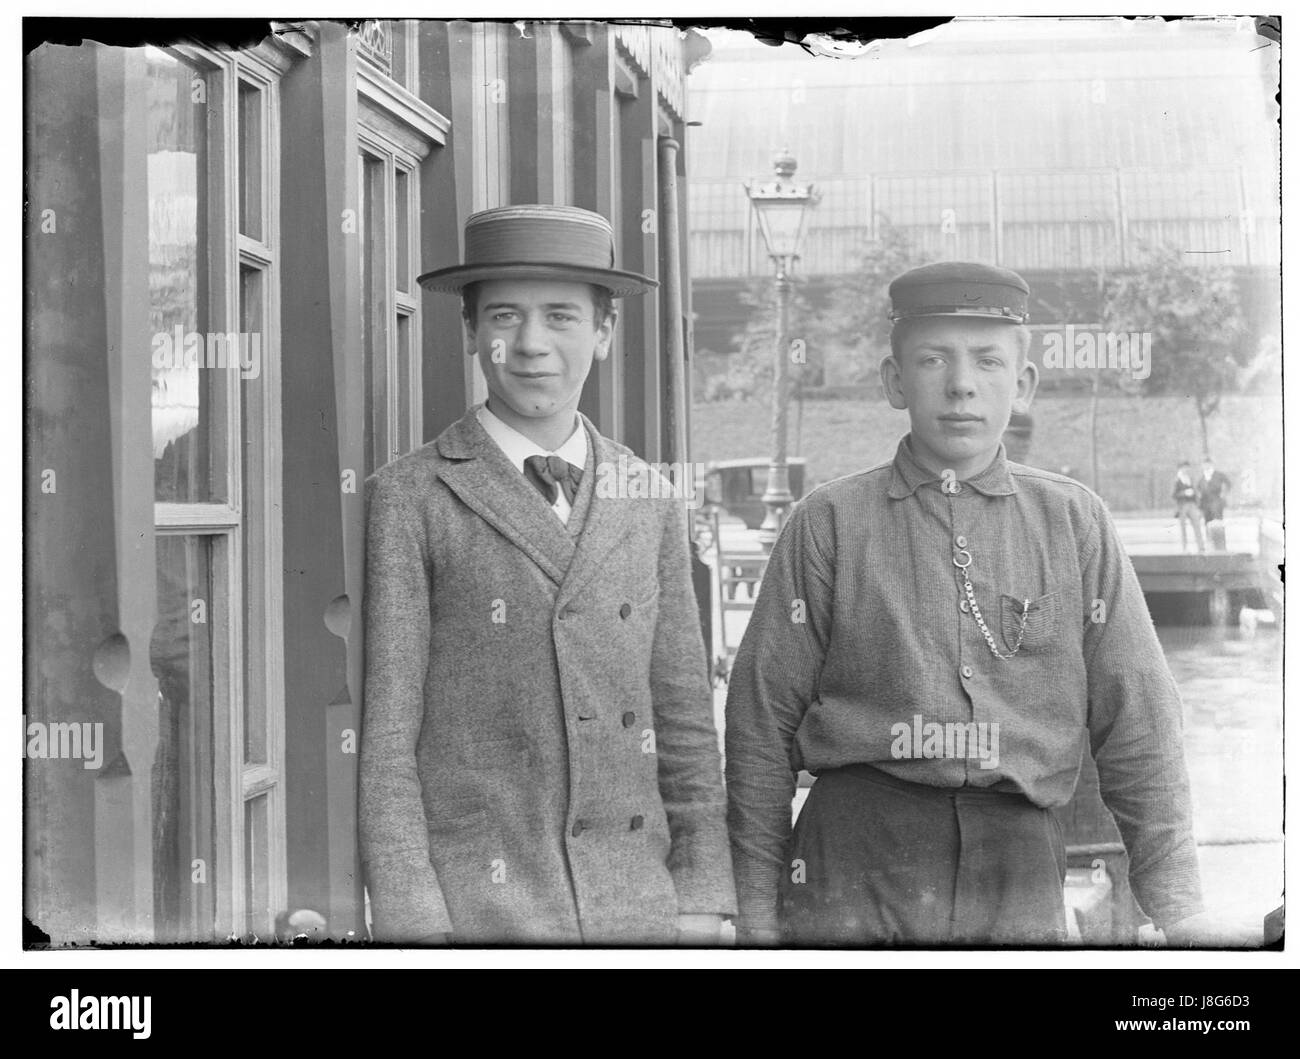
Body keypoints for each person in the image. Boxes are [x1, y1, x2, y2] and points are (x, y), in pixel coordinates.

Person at [725, 262, 1214, 947]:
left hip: (1017, 876)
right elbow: (759, 725)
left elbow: (1140, 721)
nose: (961, 384)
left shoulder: (1075, 523)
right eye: (933, 359)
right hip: (851, 872)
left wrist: (1181, 906)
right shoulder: (827, 522)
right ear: (895, 381)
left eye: (988, 360)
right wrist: (756, 912)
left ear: (1025, 383)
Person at [360, 204, 735, 945]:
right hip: (484, 909)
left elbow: (685, 720)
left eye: (561, 316)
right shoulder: (412, 495)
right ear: (471, 332)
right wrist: (412, 918)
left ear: (603, 331)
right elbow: (388, 739)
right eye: (504, 315)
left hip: (637, 906)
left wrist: (700, 895)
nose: (530, 344)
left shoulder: (647, 495)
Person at [1198, 457, 1232, 551]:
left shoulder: (1219, 475)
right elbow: (1199, 491)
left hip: (1217, 502)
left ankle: (1221, 547)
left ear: (1211, 464)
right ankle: (1210, 545)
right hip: (1206, 505)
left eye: (1207, 464)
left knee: (1218, 524)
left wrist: (1223, 494)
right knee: (1207, 525)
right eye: (1204, 464)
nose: (1206, 466)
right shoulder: (1202, 478)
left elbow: (1228, 483)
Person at [1172, 460, 1204, 553]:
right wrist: (1184, 493)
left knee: (1197, 525)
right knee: (1183, 528)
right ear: (1180, 468)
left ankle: (1201, 547)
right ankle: (1184, 548)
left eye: (1187, 467)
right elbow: (1173, 495)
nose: (1186, 469)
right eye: (1184, 467)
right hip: (1182, 506)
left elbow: (1195, 491)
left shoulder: (1190, 478)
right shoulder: (1177, 480)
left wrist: (1196, 499)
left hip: (1192, 504)